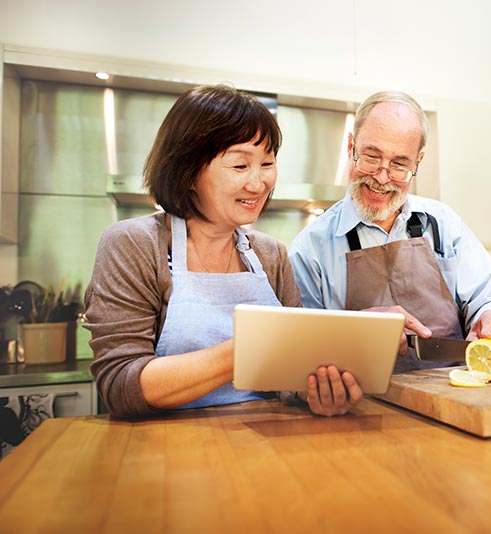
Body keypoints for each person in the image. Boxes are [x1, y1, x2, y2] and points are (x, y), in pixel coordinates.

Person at [84, 85, 354, 419]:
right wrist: (248, 349)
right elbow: (121, 386)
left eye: (267, 163)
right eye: (240, 166)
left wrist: (316, 390)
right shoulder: (133, 245)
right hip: (161, 453)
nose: (258, 183)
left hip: (262, 446)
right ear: (189, 171)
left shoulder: (271, 255)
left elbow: (289, 378)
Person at [289, 91, 491, 379]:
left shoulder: (444, 224)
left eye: (399, 164)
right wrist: (351, 331)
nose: (382, 177)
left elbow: (486, 299)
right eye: (371, 157)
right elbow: (299, 352)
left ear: (417, 162)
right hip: (360, 409)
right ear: (351, 146)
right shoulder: (310, 249)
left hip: (455, 394)